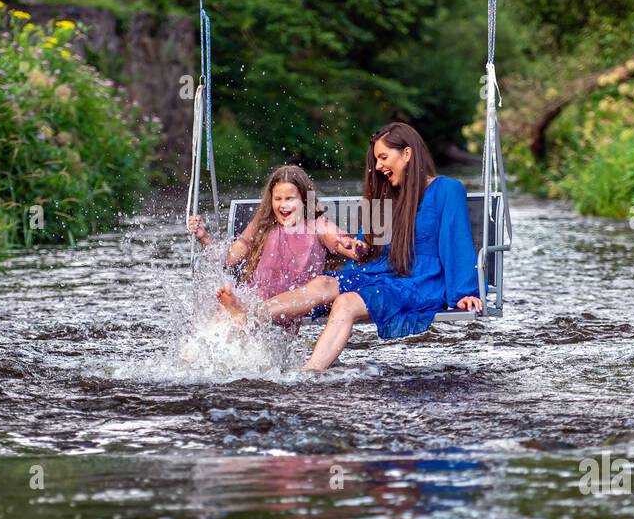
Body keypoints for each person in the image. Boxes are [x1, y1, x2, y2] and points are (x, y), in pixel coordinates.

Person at [217, 123, 481, 369]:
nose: (378, 166)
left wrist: (463, 293)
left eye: (383, 157)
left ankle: (309, 373)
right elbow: (369, 245)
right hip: (383, 272)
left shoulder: (447, 189)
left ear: (407, 153)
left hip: (421, 281)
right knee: (322, 284)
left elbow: (456, 241)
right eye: (376, 160)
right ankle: (249, 313)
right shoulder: (388, 195)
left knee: (345, 302)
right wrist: (356, 247)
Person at [187, 165, 366, 309]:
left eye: (290, 199)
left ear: (304, 200)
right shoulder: (263, 225)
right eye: (278, 199)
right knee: (219, 324)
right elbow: (229, 258)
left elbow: (341, 242)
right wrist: (203, 236)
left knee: (243, 317)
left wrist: (352, 245)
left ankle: (240, 311)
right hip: (257, 297)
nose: (283, 205)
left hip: (291, 305)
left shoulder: (317, 225)